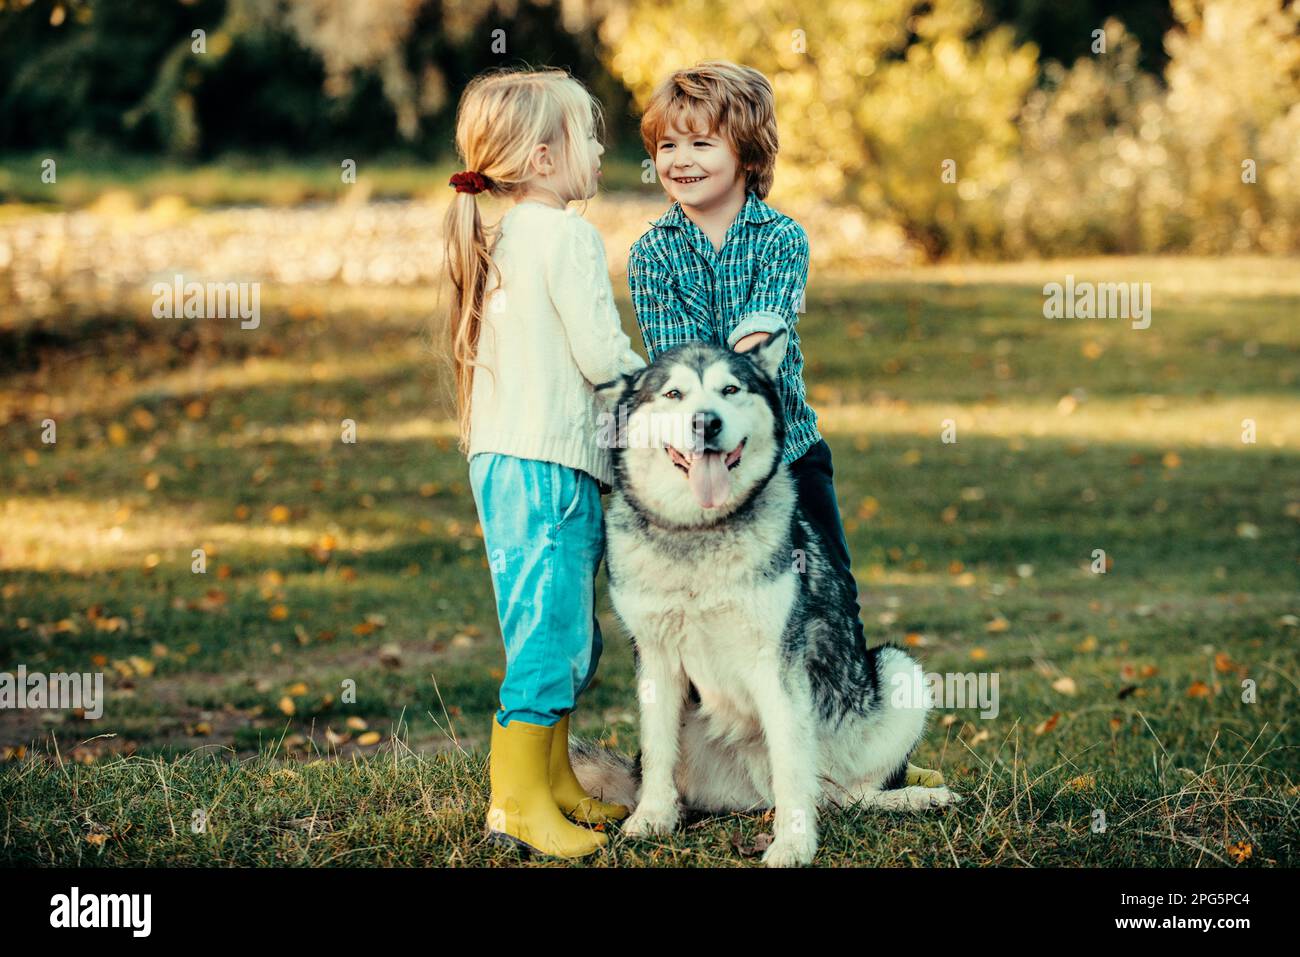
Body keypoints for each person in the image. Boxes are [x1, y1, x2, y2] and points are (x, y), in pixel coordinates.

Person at [443, 67, 645, 858]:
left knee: (557, 625)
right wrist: (656, 397)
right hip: (547, 468)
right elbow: (600, 354)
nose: (599, 147)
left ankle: (555, 778)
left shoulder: (505, 236)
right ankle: (518, 804)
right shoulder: (566, 235)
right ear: (539, 157)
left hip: (514, 463)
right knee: (549, 637)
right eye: (587, 134)